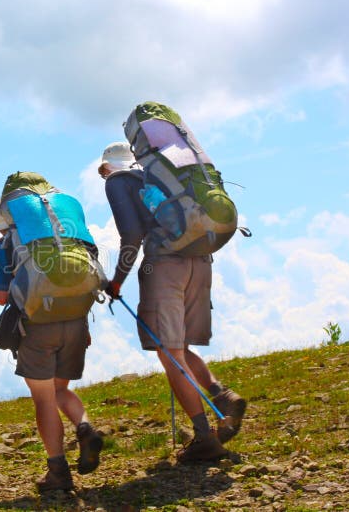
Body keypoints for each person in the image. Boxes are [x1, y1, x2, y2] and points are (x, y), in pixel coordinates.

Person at [100, 140, 247, 462]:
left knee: (170, 354)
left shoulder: (118, 181)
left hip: (165, 266)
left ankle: (205, 438)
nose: (104, 177)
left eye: (103, 172)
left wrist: (117, 280)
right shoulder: (159, 177)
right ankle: (221, 395)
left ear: (108, 167)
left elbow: (132, 235)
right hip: (200, 261)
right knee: (180, 347)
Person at [0, 197, 103, 492]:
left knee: (44, 399)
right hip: (76, 323)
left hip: (36, 327)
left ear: (1, 226)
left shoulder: (1, 248)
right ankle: (85, 428)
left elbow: (0, 297)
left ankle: (58, 472)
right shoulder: (61, 238)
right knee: (61, 390)